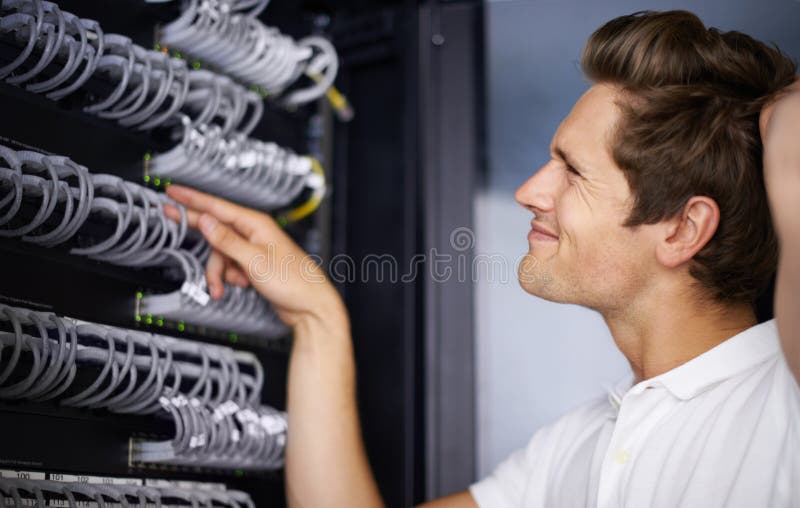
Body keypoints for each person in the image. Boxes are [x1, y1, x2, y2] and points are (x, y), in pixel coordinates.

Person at [163, 10, 800, 508]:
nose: (530, 192)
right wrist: (316, 317)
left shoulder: (784, 407)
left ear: (684, 228)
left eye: (571, 172)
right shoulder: (576, 446)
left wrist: (760, 110)